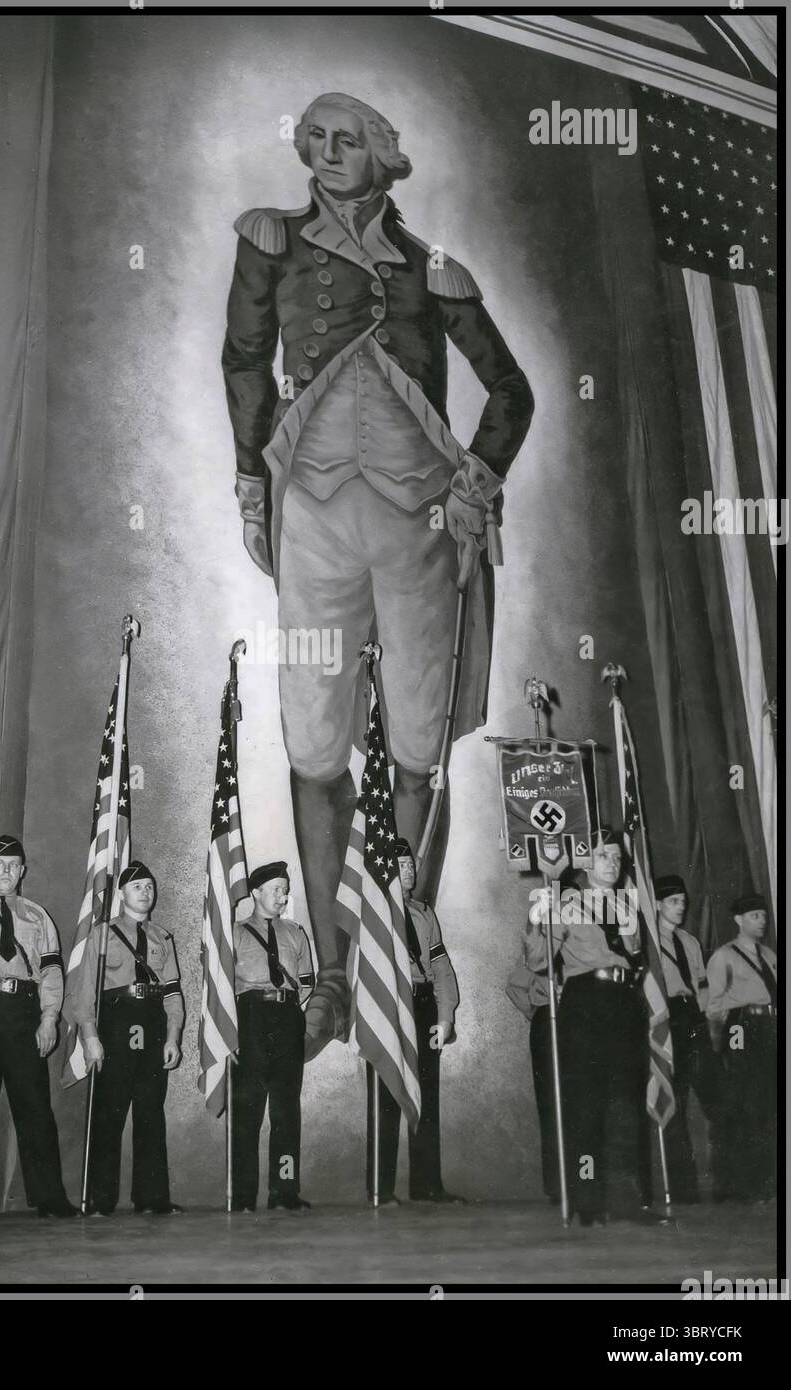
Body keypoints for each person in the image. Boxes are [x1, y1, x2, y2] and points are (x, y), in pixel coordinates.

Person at [223, 91, 534, 1057]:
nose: (324, 153)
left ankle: (402, 941)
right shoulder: (269, 243)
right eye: (312, 137)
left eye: (344, 139)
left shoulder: (430, 268)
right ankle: (324, 972)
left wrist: (473, 481)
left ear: (381, 155)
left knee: (415, 747)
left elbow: (511, 391)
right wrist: (248, 479)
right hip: (312, 519)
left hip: (416, 530)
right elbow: (241, 360)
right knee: (314, 746)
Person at [525, 830, 668, 1226]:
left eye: (617, 857)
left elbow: (635, 954)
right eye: (603, 855)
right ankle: (589, 1200)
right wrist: (546, 899)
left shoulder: (626, 903)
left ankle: (630, 1201)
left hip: (624, 1003)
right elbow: (538, 959)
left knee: (625, 1102)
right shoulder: (565, 901)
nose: (611, 862)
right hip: (585, 1003)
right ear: (586, 860)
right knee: (586, 1104)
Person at [0, 835, 75, 1218]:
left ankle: (49, 1196)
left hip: (25, 1012)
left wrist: (48, 1018)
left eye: (13, 864)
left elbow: (52, 971)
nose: (6, 871)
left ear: (23, 871)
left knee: (35, 1109)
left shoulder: (37, 916)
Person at [67, 860, 185, 1216]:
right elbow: (85, 992)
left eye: (149, 886)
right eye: (137, 887)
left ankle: (151, 1199)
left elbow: (173, 994)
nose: (145, 892)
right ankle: (100, 1200)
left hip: (152, 1022)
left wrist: (173, 1036)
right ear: (121, 894)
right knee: (109, 1112)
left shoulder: (163, 937)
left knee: (151, 1111)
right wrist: (90, 1036)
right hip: (116, 1023)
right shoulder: (102, 935)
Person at [366, 840, 462, 1204]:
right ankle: (381, 1187)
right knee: (387, 1097)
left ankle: (426, 1184)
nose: (410, 871)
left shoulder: (424, 914)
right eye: (401, 865)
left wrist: (444, 1016)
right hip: (388, 1006)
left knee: (426, 1096)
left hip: (421, 1006)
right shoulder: (374, 915)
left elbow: (440, 968)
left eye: (411, 865)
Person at [231, 861, 315, 1212]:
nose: (283, 896)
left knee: (286, 1111)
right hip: (249, 1019)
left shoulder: (295, 933)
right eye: (276, 889)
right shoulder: (234, 933)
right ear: (256, 893)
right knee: (247, 1111)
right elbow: (222, 986)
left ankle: (284, 1193)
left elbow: (307, 980)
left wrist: (290, 1011)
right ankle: (244, 1196)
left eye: (285, 888)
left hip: (286, 1020)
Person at [706, 892, 777, 1203]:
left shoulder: (772, 955)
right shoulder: (724, 956)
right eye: (754, 916)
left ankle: (767, 1181)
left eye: (763, 916)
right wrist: (726, 1050)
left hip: (769, 1028)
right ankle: (741, 1184)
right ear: (738, 920)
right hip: (741, 1028)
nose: (761, 921)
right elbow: (716, 1006)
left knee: (768, 1106)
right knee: (745, 1105)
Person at [653, 874, 717, 1204]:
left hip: (693, 1016)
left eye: (683, 902)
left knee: (716, 1096)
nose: (681, 907)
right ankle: (682, 1190)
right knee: (673, 1103)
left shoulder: (689, 941)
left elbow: (702, 983)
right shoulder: (649, 944)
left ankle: (730, 1183)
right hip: (668, 1018)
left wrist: (703, 1017)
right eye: (674, 902)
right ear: (658, 904)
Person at [505, 955, 560, 1204]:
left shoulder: (589, 941)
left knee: (584, 1109)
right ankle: (558, 1187)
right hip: (549, 1023)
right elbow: (515, 987)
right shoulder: (541, 947)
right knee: (552, 1107)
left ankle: (586, 1177)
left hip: (584, 1019)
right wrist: (540, 1013)